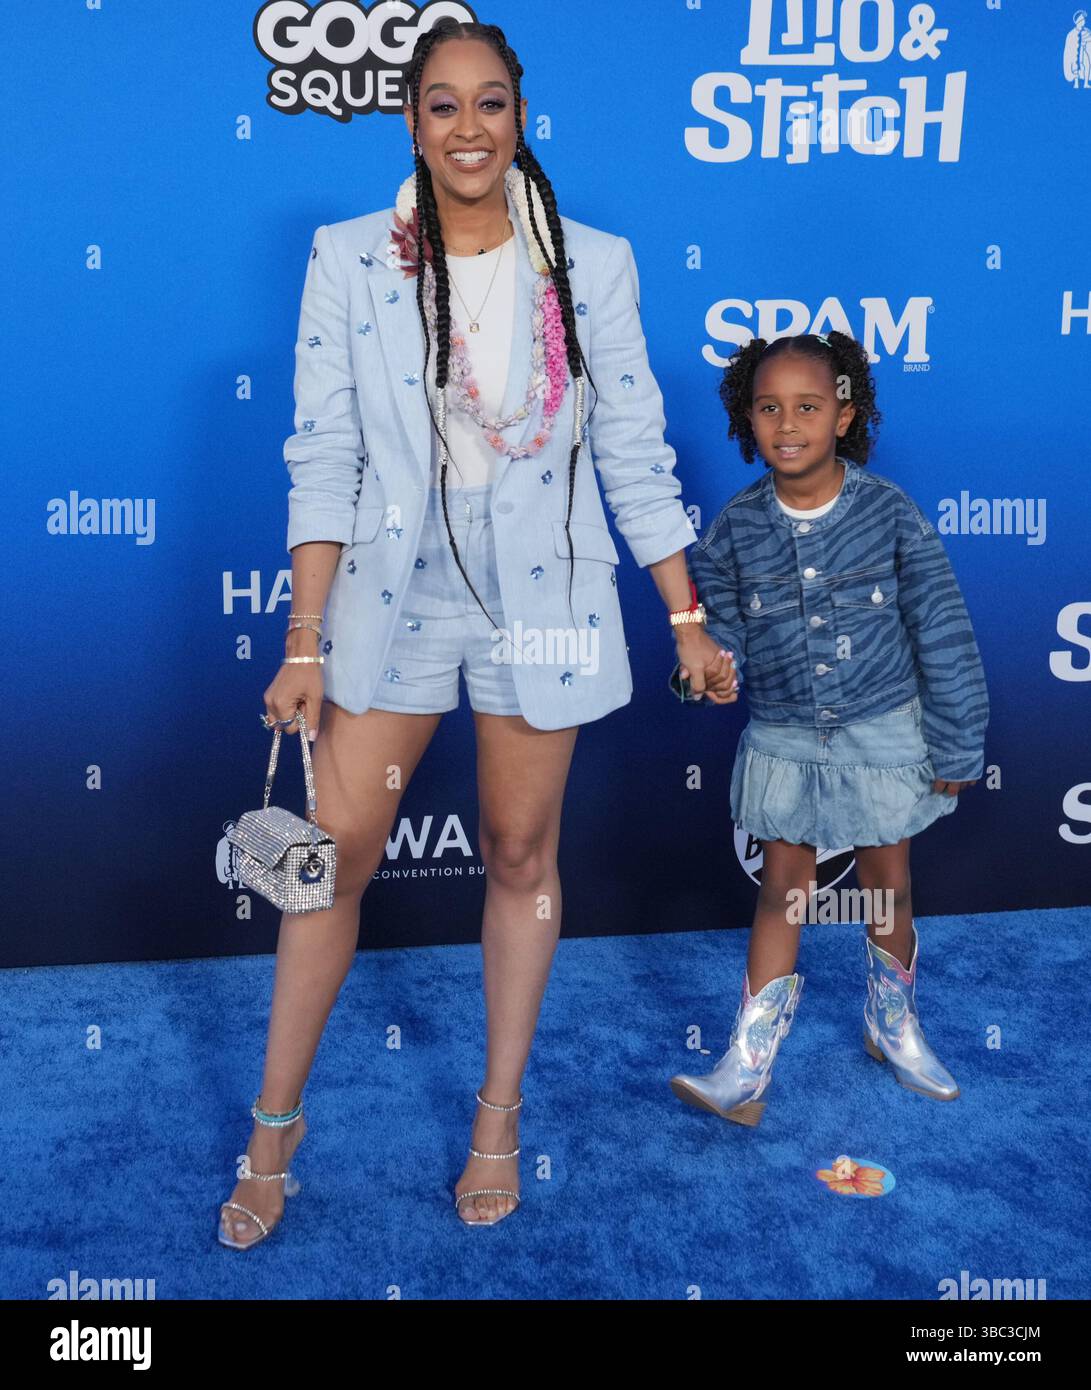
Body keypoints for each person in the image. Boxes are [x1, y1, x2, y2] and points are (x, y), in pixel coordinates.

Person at [218, 18, 729, 1245]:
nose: (466, 128)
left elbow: (631, 453)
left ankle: (496, 1119)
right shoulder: (350, 258)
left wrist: (687, 615)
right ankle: (271, 1132)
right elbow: (324, 450)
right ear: (408, 120)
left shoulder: (589, 263)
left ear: (518, 116)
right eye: (440, 105)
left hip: (541, 600)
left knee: (515, 852)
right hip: (391, 591)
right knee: (329, 860)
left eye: (488, 103)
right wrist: (303, 635)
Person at [669, 331, 989, 1126]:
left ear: (843, 416)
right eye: (768, 408)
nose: (787, 424)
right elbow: (718, 637)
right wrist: (704, 671)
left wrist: (956, 742)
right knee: (784, 892)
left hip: (883, 737)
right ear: (748, 420)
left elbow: (941, 631)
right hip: (783, 738)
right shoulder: (735, 528)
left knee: (888, 886)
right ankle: (744, 1069)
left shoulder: (887, 513)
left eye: (807, 407)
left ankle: (893, 1024)